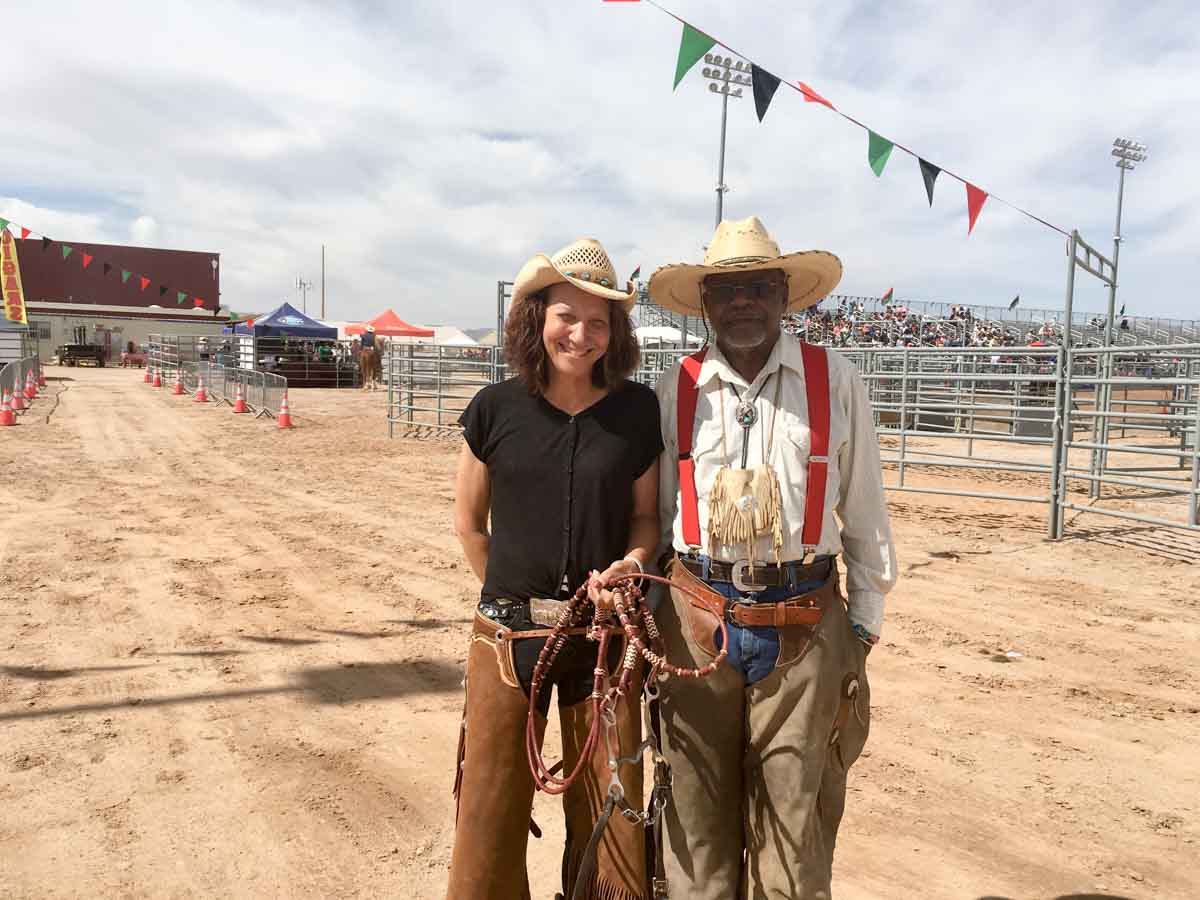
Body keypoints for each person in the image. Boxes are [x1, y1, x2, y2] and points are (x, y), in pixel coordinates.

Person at [647, 216, 897, 899]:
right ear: (705, 303)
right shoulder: (676, 389)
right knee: (696, 829)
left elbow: (865, 506)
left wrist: (864, 620)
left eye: (758, 286)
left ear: (785, 293)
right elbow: (658, 513)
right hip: (697, 620)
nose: (743, 302)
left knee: (795, 829)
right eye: (727, 290)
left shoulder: (836, 381)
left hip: (806, 624)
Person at [448, 238, 662, 900]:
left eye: (599, 322)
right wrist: (513, 596)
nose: (582, 334)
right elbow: (469, 525)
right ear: (537, 318)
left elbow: (646, 520)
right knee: (487, 817)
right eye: (567, 316)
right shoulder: (494, 409)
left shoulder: (635, 412)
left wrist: (630, 563)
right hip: (508, 641)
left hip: (604, 637)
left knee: (613, 818)